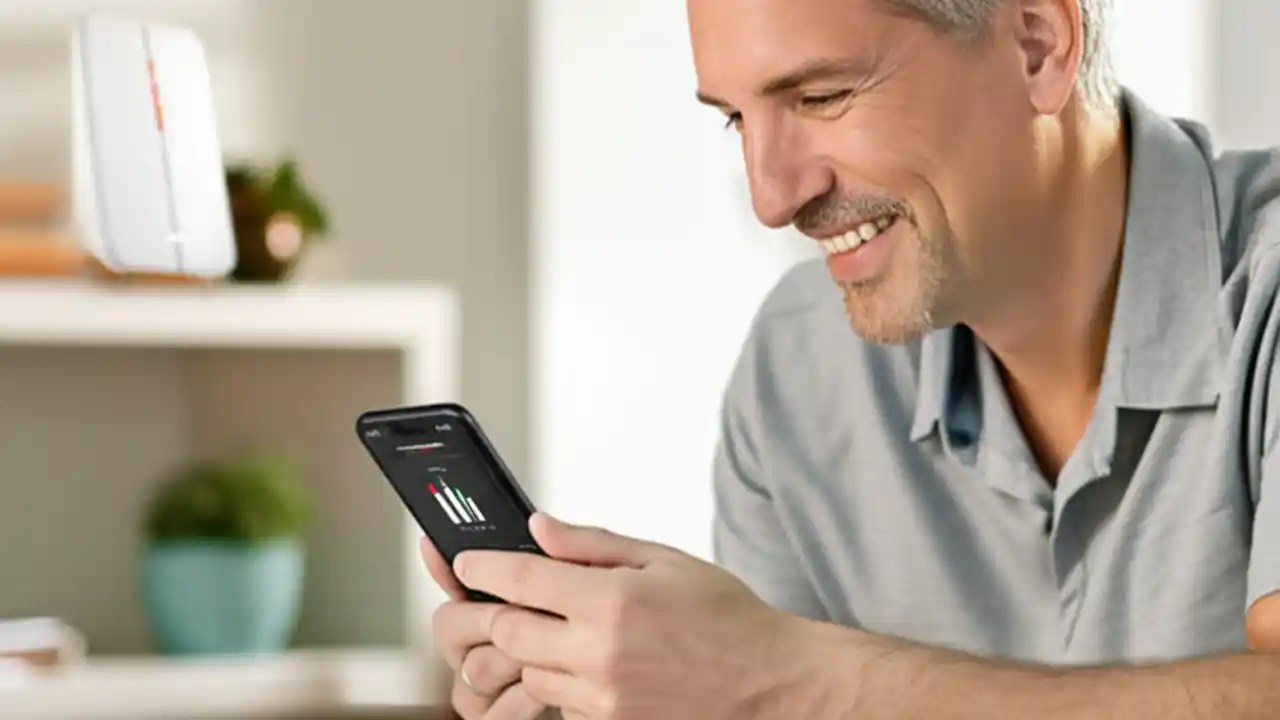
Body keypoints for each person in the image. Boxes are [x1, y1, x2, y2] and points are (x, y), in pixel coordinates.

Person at [426, 0, 1280, 717]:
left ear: (1036, 44)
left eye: (822, 96)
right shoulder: (798, 367)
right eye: (735, 119)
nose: (772, 198)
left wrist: (788, 678)